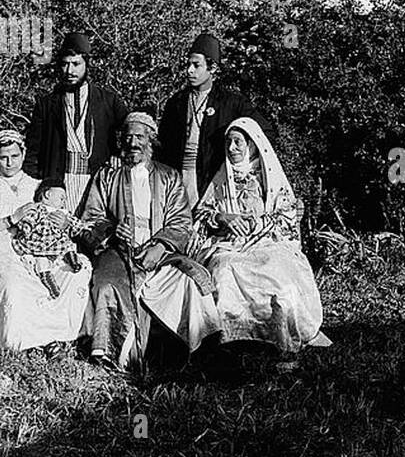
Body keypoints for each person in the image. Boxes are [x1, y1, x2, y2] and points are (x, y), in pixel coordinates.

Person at [78, 112, 220, 370]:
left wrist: (161, 245)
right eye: (128, 137)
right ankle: (110, 356)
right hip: (118, 251)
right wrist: (111, 230)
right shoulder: (108, 176)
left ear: (151, 141)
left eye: (140, 137)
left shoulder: (169, 177)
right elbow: (92, 217)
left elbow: (180, 221)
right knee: (107, 284)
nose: (133, 143)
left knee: (191, 280)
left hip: (161, 252)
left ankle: (198, 354)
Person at [193, 116, 328, 354]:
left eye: (238, 142)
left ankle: (278, 337)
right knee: (223, 272)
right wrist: (225, 218)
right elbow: (202, 214)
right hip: (230, 245)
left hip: (268, 242)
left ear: (252, 144)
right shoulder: (221, 177)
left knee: (278, 274)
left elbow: (286, 215)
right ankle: (235, 341)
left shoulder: (269, 176)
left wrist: (257, 225)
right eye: (229, 143)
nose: (232, 148)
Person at [0, 129, 92, 353]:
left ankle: (58, 336)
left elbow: (59, 211)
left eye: (15, 156)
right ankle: (21, 343)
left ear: (23, 155)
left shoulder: (36, 185)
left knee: (77, 270)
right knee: (14, 281)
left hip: (40, 246)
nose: (10, 162)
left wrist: (62, 222)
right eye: (4, 157)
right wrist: (12, 218)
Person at [157, 30, 271, 209]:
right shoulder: (176, 102)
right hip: (178, 180)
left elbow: (265, 132)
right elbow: (162, 145)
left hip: (214, 180)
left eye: (196, 65)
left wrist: (242, 163)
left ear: (213, 68)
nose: (189, 70)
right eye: (188, 65)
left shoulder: (231, 102)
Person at [24, 30, 129, 215]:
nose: (70, 71)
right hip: (59, 186)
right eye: (64, 65)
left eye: (76, 64)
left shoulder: (108, 101)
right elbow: (33, 150)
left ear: (87, 64)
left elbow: (133, 131)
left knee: (91, 234)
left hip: (97, 183)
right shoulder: (47, 105)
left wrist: (120, 155)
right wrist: (39, 185)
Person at [11, 179, 85, 298]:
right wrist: (26, 227)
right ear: (48, 195)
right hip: (40, 241)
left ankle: (72, 259)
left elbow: (74, 223)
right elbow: (30, 219)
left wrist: (80, 226)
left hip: (56, 242)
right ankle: (47, 277)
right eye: (61, 198)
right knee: (41, 260)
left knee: (68, 244)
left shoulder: (62, 212)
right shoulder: (38, 209)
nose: (64, 201)